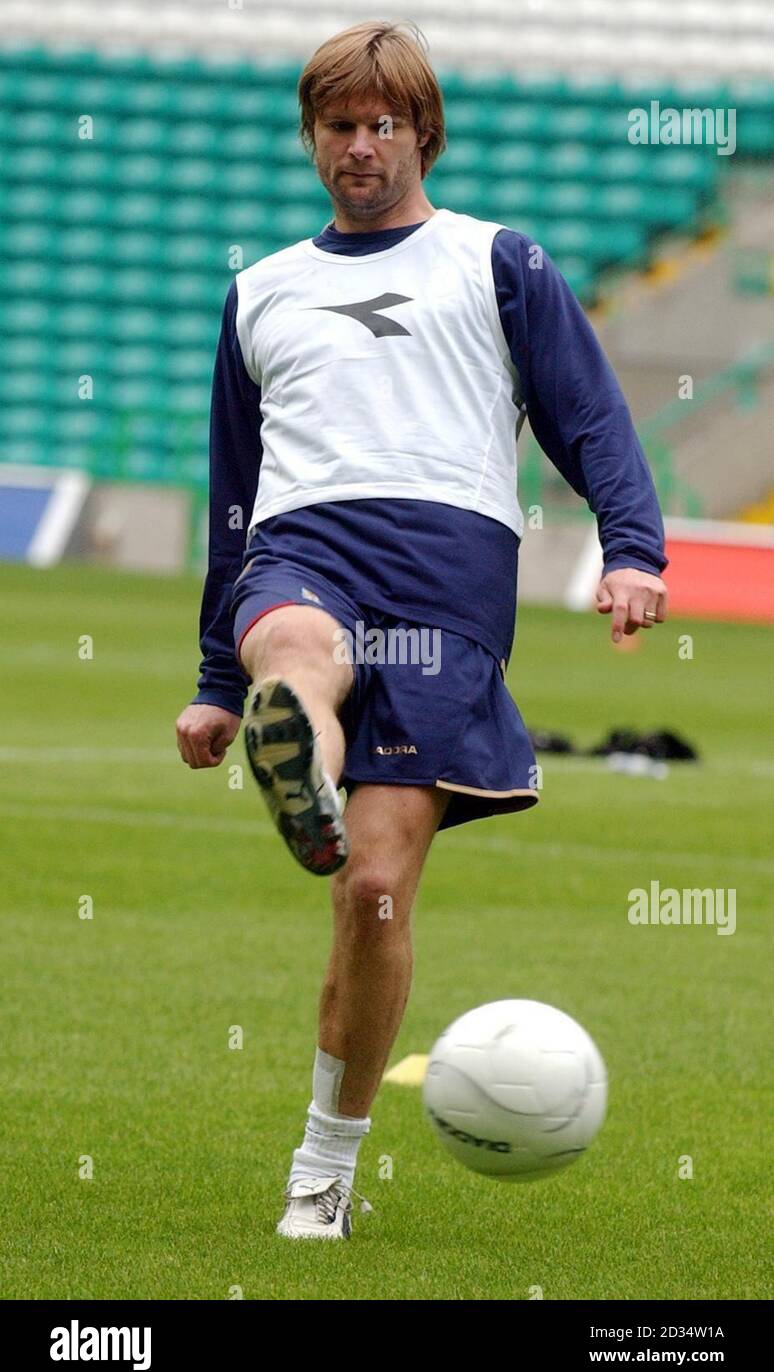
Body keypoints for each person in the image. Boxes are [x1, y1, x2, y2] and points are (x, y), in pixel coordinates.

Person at [175, 19, 669, 1240]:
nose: (358, 145)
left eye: (380, 122)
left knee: (378, 894)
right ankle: (297, 760)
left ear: (422, 132)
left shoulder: (497, 261)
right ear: (312, 139)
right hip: (305, 543)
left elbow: (587, 416)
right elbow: (233, 493)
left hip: (450, 567)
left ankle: (324, 1169)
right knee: (296, 648)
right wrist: (211, 681)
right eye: (337, 125)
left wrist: (634, 548)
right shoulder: (261, 290)